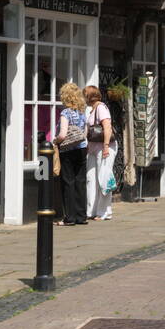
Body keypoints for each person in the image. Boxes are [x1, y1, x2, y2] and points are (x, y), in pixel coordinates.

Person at [54, 82, 89, 224]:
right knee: (80, 182)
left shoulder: (65, 113)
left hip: (68, 151)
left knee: (68, 182)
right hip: (81, 149)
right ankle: (81, 217)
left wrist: (55, 141)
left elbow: (62, 135)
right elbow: (85, 133)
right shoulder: (81, 112)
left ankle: (70, 218)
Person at [84, 85, 116, 220]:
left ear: (89, 96)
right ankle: (91, 211)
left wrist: (106, 146)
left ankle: (104, 212)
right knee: (91, 179)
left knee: (103, 179)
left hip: (104, 147)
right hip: (92, 148)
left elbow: (107, 127)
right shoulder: (92, 110)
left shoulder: (101, 108)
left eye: (84, 95)